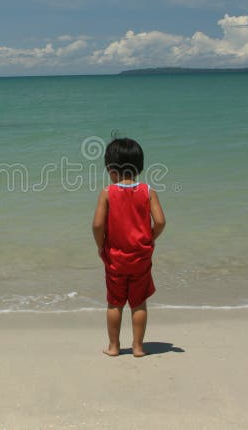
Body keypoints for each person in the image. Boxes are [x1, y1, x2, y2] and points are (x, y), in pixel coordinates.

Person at [92, 137, 166, 357]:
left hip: (115, 258)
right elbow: (160, 221)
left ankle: (114, 347)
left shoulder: (107, 193)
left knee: (115, 303)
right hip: (140, 258)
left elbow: (97, 225)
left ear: (111, 169)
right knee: (139, 303)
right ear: (139, 166)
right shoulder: (148, 191)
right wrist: (151, 238)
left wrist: (101, 246)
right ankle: (138, 347)